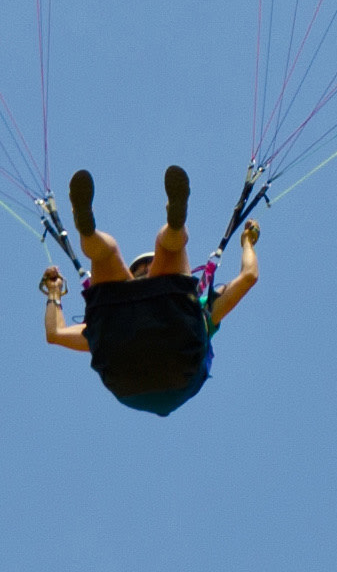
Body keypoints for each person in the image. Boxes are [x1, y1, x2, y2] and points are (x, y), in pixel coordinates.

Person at [39, 163, 260, 414]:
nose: (148, 271)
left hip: (125, 371)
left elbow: (55, 333)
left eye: (148, 267)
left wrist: (54, 293)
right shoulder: (204, 312)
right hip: (178, 363)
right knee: (167, 250)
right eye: (145, 268)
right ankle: (173, 225)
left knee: (108, 255)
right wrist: (247, 243)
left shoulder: (110, 326)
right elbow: (249, 276)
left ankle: (88, 234)